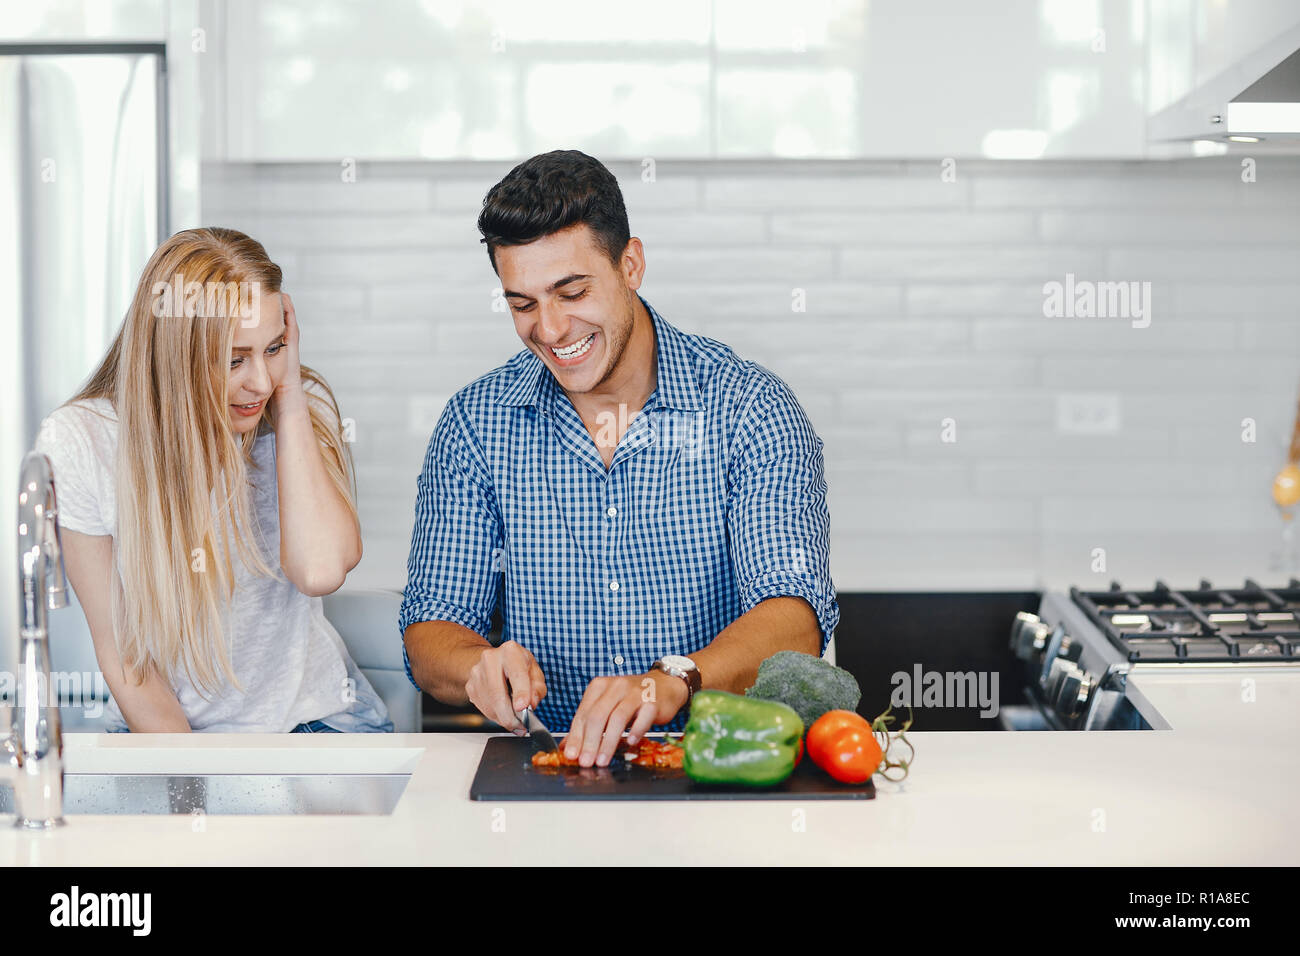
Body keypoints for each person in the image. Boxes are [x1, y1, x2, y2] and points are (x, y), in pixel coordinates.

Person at [401, 150, 837, 766]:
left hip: (724, 764)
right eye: (523, 304)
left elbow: (794, 616)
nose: (550, 330)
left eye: (571, 292)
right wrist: (476, 666)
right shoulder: (476, 424)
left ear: (630, 264)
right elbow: (431, 628)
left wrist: (671, 681)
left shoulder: (750, 409)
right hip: (549, 773)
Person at [35, 227, 392, 733]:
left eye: (274, 347)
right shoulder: (82, 442)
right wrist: (194, 791)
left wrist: (290, 399)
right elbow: (124, 657)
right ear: (173, 357)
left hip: (314, 725)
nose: (260, 382)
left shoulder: (294, 409)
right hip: (162, 731)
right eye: (234, 360)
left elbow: (320, 572)